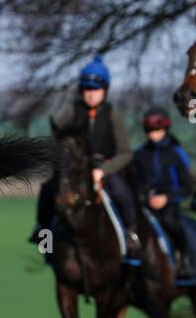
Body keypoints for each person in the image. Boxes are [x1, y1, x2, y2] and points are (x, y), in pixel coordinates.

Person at [29, 55, 142, 260]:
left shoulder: (112, 114)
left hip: (103, 169)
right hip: (75, 169)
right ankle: (43, 231)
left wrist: (104, 170)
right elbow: (57, 142)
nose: (90, 94)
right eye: (87, 89)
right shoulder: (72, 111)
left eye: (95, 89)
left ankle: (131, 234)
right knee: (48, 189)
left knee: (122, 192)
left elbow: (125, 152)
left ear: (105, 90)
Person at [130, 107, 196, 273]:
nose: (154, 134)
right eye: (150, 130)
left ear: (166, 129)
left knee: (170, 222)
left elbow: (187, 186)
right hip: (144, 203)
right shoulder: (139, 154)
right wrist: (143, 196)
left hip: (169, 204)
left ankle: (184, 256)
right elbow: (134, 181)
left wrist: (167, 198)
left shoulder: (176, 153)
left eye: (158, 130)